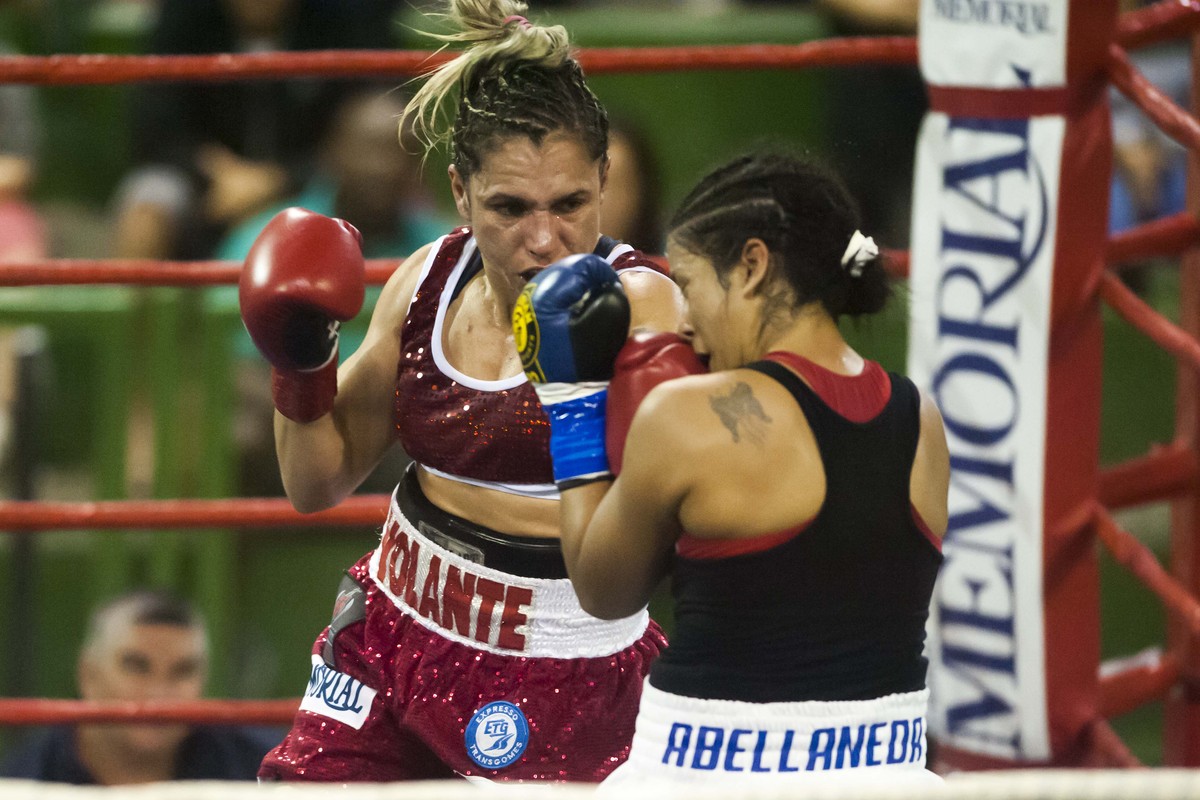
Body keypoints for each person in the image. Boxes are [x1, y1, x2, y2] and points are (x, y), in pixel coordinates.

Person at [240, 0, 684, 782]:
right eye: (510, 208)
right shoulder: (423, 282)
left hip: (562, 668)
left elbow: (647, 556)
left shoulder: (645, 308)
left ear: (606, 182)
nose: (544, 239)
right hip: (394, 626)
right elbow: (313, 484)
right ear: (459, 192)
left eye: (570, 205)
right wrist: (300, 365)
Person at [517, 150, 950, 786]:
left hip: (708, 776)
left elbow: (603, 591)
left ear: (751, 266)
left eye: (689, 287)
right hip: (885, 772)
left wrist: (572, 405)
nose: (685, 325)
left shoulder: (687, 415)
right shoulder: (923, 421)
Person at [111, 0, 403, 261]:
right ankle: (126, 323)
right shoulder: (184, 14)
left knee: (375, 172)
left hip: (314, 177)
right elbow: (155, 122)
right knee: (145, 211)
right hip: (206, 181)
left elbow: (371, 113)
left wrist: (278, 179)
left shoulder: (342, 17)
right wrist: (218, 172)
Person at [0, 590, 279, 784]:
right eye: (137, 667)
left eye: (183, 671)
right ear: (89, 675)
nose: (159, 692)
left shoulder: (262, 765)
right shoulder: (26, 779)